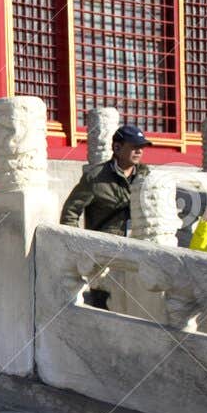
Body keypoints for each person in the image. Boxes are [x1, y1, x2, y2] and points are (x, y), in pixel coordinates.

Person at [61, 124, 151, 308]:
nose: (139, 151)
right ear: (117, 148)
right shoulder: (95, 177)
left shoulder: (146, 175)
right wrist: (77, 245)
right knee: (105, 309)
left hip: (137, 252)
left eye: (141, 147)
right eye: (134, 146)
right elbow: (70, 211)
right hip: (106, 257)